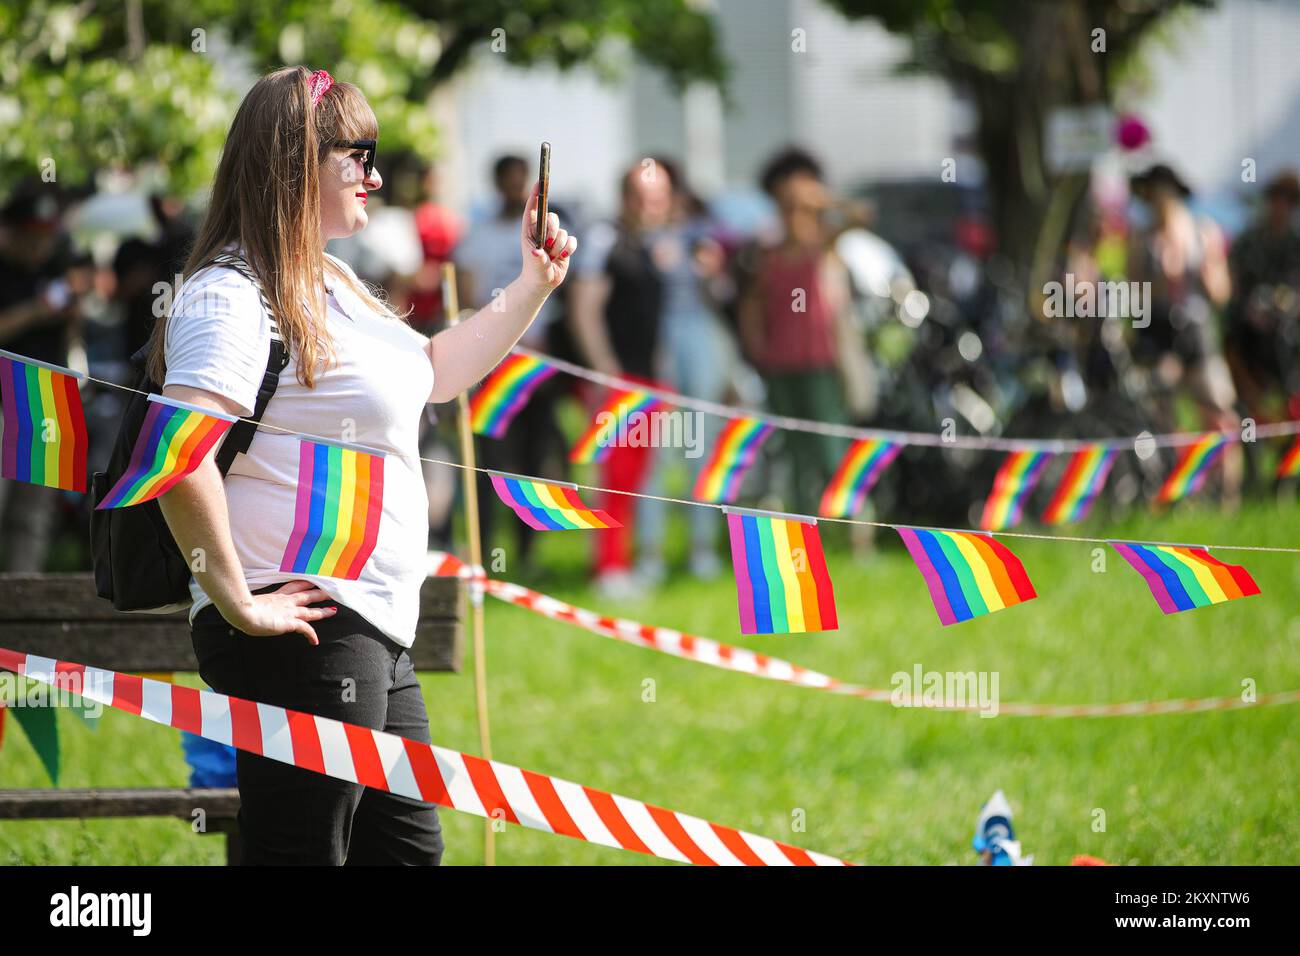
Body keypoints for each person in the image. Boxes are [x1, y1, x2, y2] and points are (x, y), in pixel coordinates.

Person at [143, 66, 577, 865]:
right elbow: (176, 454)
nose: (377, 176)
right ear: (296, 160)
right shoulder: (230, 291)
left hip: (369, 623)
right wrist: (238, 602)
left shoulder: (329, 276)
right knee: (303, 851)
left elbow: (436, 372)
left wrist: (531, 285)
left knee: (405, 854)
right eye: (360, 154)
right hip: (304, 621)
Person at [454, 154, 572, 572]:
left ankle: (527, 554)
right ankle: (486, 553)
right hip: (493, 365)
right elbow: (467, 298)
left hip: (535, 367)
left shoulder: (542, 237)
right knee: (491, 461)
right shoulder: (478, 236)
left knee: (534, 461)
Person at [568, 159, 674, 598]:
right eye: (643, 197)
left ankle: (624, 562)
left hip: (648, 379)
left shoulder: (653, 246)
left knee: (635, 480)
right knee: (613, 478)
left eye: (658, 199)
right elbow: (584, 309)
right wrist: (604, 371)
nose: (651, 207)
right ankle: (608, 569)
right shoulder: (604, 240)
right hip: (618, 379)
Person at [736, 148, 856, 516]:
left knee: (830, 448)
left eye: (798, 206)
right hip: (780, 367)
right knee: (795, 451)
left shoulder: (823, 248)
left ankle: (851, 527)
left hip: (819, 364)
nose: (792, 214)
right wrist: (758, 349)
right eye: (785, 205)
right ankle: (809, 521)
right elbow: (751, 309)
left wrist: (819, 196)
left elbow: (861, 216)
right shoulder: (768, 256)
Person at [1127, 163, 1241, 504]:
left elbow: (1221, 293)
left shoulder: (1202, 232)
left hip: (1197, 333)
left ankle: (1228, 497)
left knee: (1220, 414)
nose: (1156, 201)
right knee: (1162, 417)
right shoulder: (1142, 238)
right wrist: (1158, 281)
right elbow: (1135, 296)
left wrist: (1207, 273)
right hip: (1159, 335)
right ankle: (1177, 494)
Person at [0, 187, 81, 571]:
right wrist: (36, 311)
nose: (41, 244)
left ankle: (25, 600)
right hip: (3, 399)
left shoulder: (57, 269)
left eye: (46, 235)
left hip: (49, 399)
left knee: (34, 516)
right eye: (32, 235)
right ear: (9, 231)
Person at [1225, 170, 1300, 420]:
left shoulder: (1295, 243)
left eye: (1288, 201)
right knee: (1232, 332)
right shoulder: (1249, 240)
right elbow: (1234, 284)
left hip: (1287, 331)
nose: (1281, 207)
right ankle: (1248, 396)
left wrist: (1287, 302)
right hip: (1249, 329)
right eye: (1277, 199)